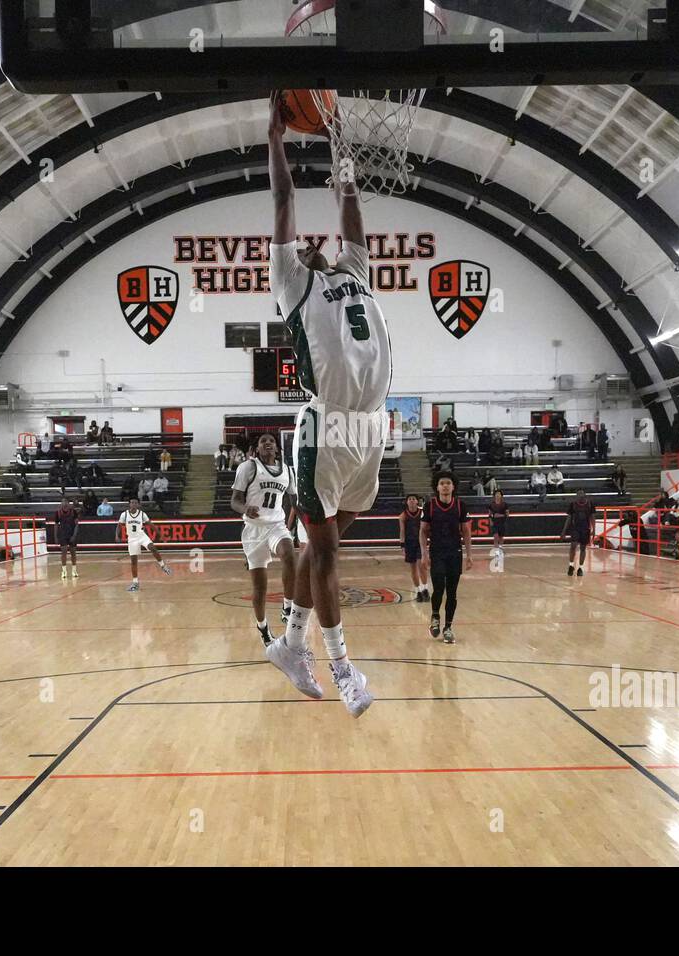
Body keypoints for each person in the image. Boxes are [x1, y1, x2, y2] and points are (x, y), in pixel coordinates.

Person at [261, 95, 389, 717]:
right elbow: (285, 203)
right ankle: (342, 668)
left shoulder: (356, 270)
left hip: (371, 430)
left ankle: (288, 643)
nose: (312, 243)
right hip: (324, 430)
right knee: (328, 552)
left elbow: (349, 202)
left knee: (325, 541)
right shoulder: (292, 280)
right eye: (304, 245)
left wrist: (339, 138)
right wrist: (276, 139)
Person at [231, 433, 296, 642]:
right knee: (260, 587)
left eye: (271, 441)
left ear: (277, 448)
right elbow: (235, 500)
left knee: (289, 555)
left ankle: (287, 606)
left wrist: (303, 523)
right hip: (253, 530)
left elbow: (294, 501)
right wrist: (244, 509)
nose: (268, 443)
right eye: (263, 441)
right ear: (257, 449)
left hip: (276, 525)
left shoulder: (287, 470)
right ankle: (263, 628)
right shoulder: (248, 468)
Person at [420, 471, 472, 644]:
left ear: (453, 486)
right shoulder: (430, 506)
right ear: (437, 486)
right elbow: (423, 531)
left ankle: (448, 627)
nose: (445, 486)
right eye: (442, 483)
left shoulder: (460, 505)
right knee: (439, 587)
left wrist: (469, 555)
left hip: (454, 553)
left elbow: (465, 530)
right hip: (437, 552)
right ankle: (435, 617)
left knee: (452, 592)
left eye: (448, 483)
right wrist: (424, 554)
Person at [118, 498, 172, 592]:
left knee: (152, 547)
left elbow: (151, 525)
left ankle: (163, 566)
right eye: (132, 502)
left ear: (138, 505)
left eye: (135, 503)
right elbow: (119, 526)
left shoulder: (142, 514)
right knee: (134, 561)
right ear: (129, 504)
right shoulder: (124, 514)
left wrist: (161, 535)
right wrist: (117, 536)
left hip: (141, 536)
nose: (133, 504)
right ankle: (135, 583)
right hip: (132, 539)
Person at [398, 494, 428, 602]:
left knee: (422, 566)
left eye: (413, 499)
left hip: (421, 542)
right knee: (413, 568)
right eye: (409, 499)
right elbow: (402, 531)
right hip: (409, 543)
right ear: (407, 502)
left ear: (417, 502)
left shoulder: (422, 513)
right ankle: (418, 591)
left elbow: (427, 527)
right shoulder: (403, 516)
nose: (411, 501)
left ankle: (425, 589)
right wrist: (402, 545)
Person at [561, 489, 596, 577]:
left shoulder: (590, 504)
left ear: (584, 495)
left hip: (585, 529)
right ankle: (571, 565)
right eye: (578, 494)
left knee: (583, 548)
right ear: (576, 496)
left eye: (581, 494)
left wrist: (594, 529)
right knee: (573, 545)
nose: (580, 496)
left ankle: (580, 568)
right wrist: (564, 531)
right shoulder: (573, 505)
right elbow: (569, 518)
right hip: (575, 528)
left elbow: (592, 517)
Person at [55, 498, 80, 579]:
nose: (64, 503)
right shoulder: (58, 513)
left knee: (73, 553)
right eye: (63, 502)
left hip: (71, 534)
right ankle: (64, 571)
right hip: (63, 535)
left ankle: (74, 570)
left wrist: (74, 535)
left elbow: (77, 524)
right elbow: (55, 525)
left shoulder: (73, 512)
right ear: (61, 503)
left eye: (66, 502)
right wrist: (55, 536)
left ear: (69, 503)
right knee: (64, 552)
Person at [489, 488, 510, 555]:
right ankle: (496, 549)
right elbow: (490, 514)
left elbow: (507, 514)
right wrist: (490, 521)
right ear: (494, 495)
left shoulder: (505, 504)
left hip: (502, 522)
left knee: (501, 536)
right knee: (495, 535)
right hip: (495, 522)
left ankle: (500, 547)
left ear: (501, 496)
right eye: (496, 494)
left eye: (499, 494)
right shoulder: (491, 505)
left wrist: (500, 515)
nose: (497, 495)